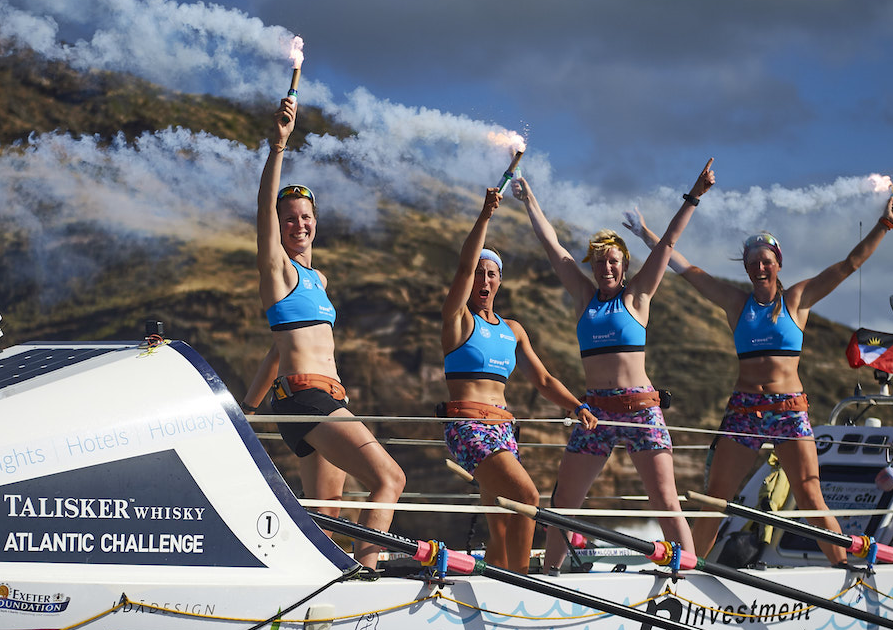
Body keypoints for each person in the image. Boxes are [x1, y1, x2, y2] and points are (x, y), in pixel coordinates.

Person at [636, 193, 893, 565]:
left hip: (788, 409)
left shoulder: (798, 299)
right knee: (717, 497)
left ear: (778, 264)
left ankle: (844, 568)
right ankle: (687, 571)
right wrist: (649, 236)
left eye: (766, 261)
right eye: (753, 263)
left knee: (810, 493)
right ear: (747, 270)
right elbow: (687, 270)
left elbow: (849, 264)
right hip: (744, 411)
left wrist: (885, 224)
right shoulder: (736, 303)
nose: (760, 268)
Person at [513, 160, 715, 573]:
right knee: (563, 502)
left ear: (624, 267)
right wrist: (531, 201)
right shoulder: (584, 298)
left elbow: (668, 244)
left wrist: (694, 196)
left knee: (665, 501)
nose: (605, 268)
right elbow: (554, 249)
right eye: (599, 261)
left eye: (613, 262)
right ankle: (549, 577)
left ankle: (691, 576)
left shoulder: (637, 297)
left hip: (641, 409)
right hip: (596, 413)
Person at [245, 96, 404, 569]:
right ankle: (365, 577)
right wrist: (279, 145)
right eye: (289, 217)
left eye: (305, 216)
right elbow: (263, 213)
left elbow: (279, 349)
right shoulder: (278, 271)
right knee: (390, 480)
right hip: (308, 401)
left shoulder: (318, 281)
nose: (298, 224)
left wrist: (247, 409)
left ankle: (306, 589)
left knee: (325, 521)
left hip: (316, 400)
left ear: (316, 223)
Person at [440, 185, 598, 573]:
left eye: (491, 273)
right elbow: (462, 268)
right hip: (469, 426)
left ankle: (490, 592)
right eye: (478, 272)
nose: (483, 278)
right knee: (528, 495)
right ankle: (522, 579)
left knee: (503, 522)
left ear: (499, 281)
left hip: (504, 431)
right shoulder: (459, 321)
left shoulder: (512, 329)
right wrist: (486, 215)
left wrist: (577, 406)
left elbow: (543, 379)